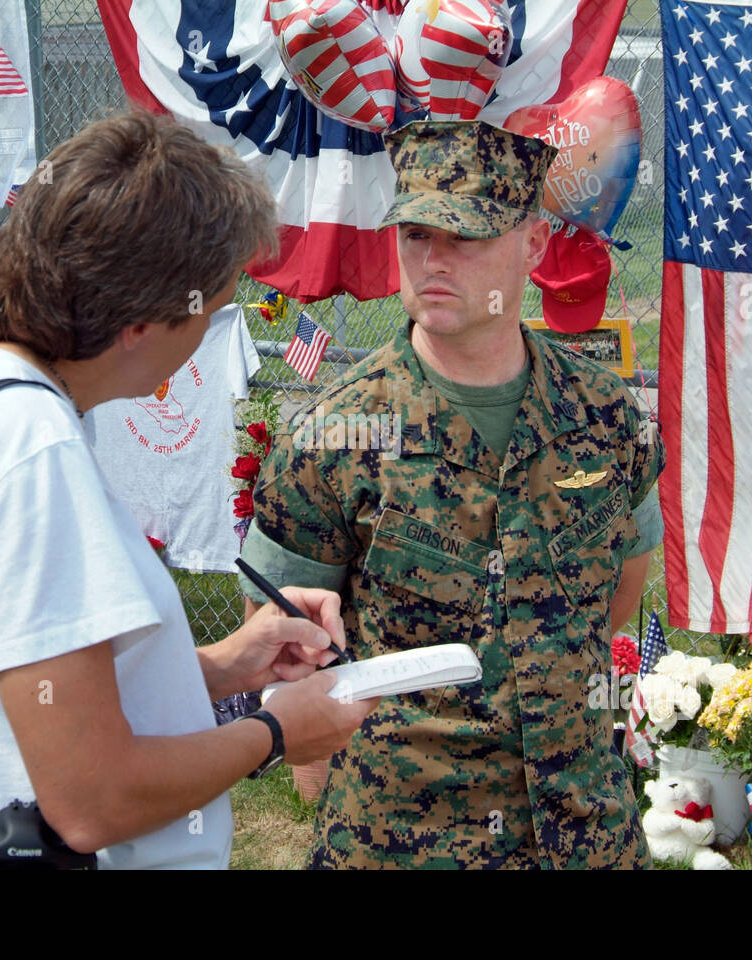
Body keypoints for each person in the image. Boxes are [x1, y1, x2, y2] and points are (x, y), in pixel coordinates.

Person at [0, 109, 376, 870]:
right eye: (210, 310)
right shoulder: (31, 450)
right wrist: (279, 732)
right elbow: (93, 801)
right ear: (139, 325)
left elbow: (41, 691)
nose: (206, 333)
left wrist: (228, 664)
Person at [238, 119, 666, 868]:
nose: (433, 262)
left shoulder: (606, 415)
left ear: (532, 245)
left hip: (581, 832)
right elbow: (282, 645)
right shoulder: (338, 432)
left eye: (463, 238)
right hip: (405, 839)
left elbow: (622, 587)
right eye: (415, 236)